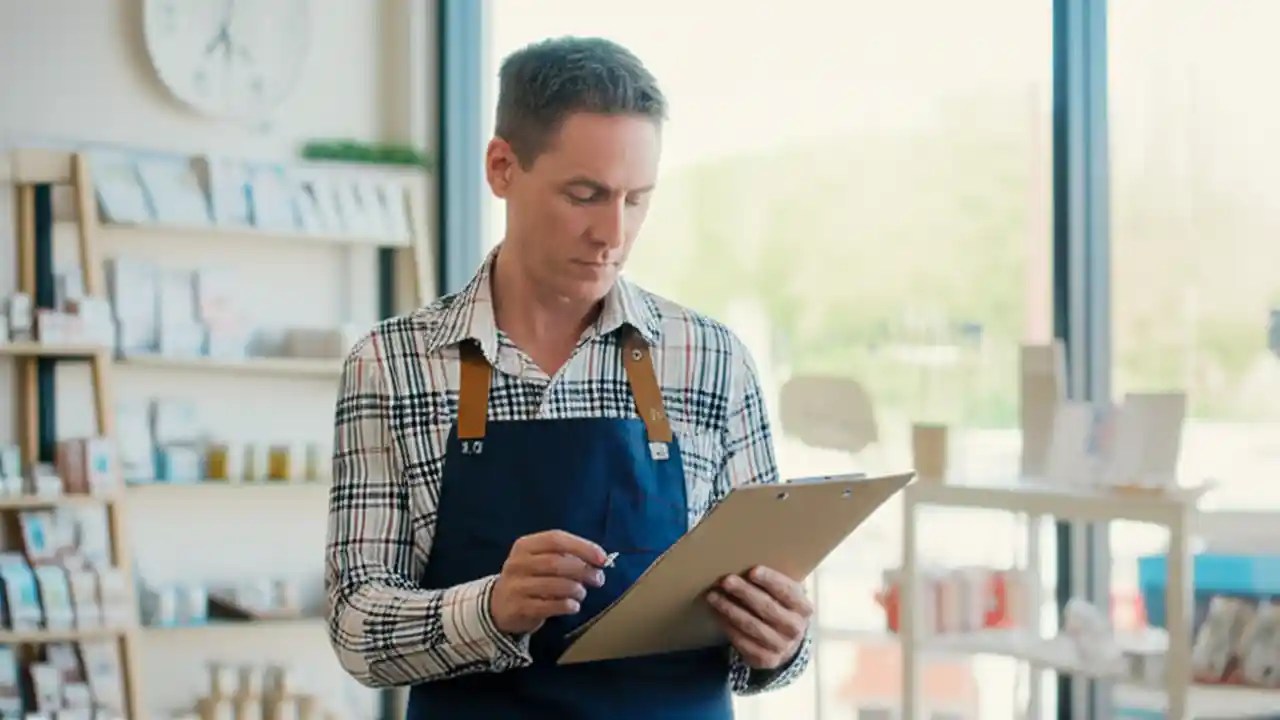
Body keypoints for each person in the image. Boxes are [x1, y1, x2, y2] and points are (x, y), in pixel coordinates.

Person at [325, 35, 812, 719]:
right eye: (585, 195)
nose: (613, 233)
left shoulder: (712, 359)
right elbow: (357, 630)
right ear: (502, 167)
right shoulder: (391, 363)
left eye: (636, 199)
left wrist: (781, 644)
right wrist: (491, 608)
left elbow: (766, 625)